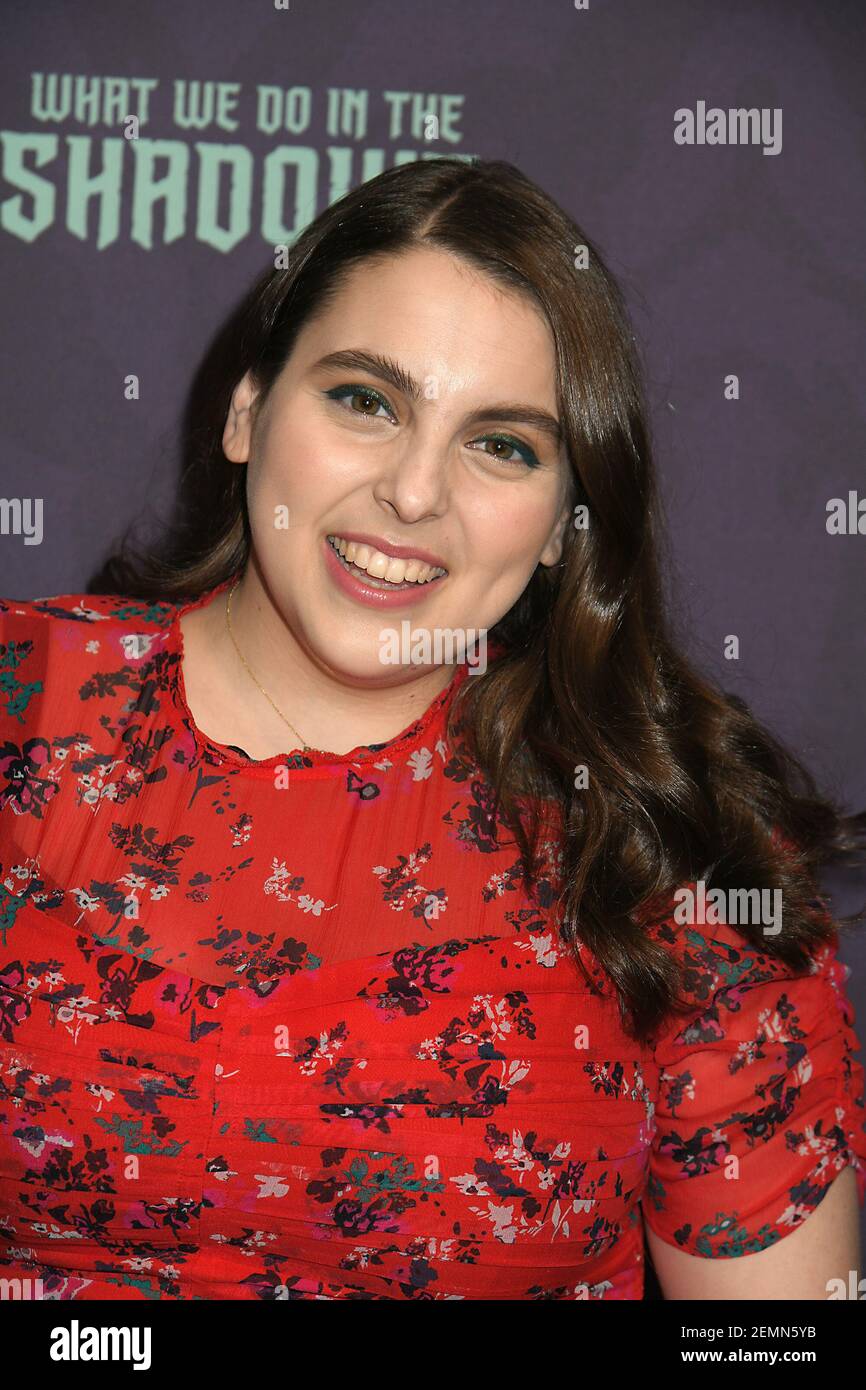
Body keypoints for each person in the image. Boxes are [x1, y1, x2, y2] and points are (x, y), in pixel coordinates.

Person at [1, 157, 864, 1302]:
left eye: (500, 444)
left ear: (564, 524)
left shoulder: (669, 842)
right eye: (365, 399)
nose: (413, 492)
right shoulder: (25, 709)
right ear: (247, 410)